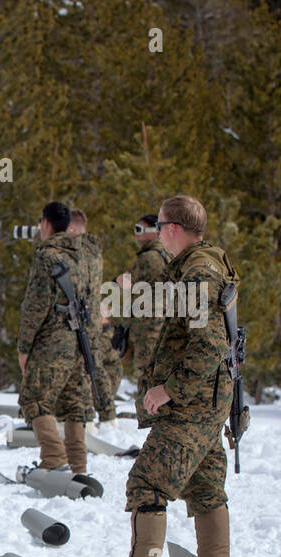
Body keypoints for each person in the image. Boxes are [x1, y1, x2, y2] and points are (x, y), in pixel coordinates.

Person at [113, 194, 238, 557]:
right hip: (209, 402)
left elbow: (209, 345)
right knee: (204, 487)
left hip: (193, 404)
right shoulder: (204, 264)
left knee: (148, 484)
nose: (156, 232)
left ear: (172, 229)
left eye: (160, 224)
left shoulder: (199, 273)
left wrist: (168, 389)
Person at [16, 202, 93, 476]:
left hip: (52, 338)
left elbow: (35, 306)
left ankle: (54, 459)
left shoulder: (46, 256)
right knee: (74, 403)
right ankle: (78, 466)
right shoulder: (81, 256)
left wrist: (24, 346)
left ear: (46, 224)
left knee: (35, 399)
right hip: (78, 339)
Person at [115, 214, 172, 418]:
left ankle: (154, 427)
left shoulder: (148, 258)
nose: (136, 235)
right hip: (166, 329)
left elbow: (125, 283)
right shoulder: (169, 255)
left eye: (139, 230)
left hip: (148, 331)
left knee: (147, 379)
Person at [67, 208, 120, 423]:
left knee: (88, 366)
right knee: (94, 364)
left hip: (84, 315)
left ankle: (91, 415)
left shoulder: (79, 251)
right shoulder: (93, 249)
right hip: (92, 316)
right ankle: (106, 414)